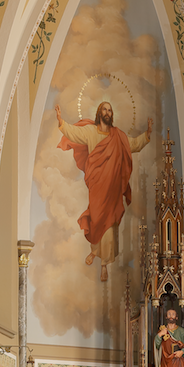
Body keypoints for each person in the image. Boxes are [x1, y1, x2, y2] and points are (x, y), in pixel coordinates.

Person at [55, 99, 152, 281]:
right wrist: (61, 122)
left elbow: (132, 145)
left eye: (109, 110)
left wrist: (146, 135)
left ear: (111, 114)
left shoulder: (118, 136)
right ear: (99, 113)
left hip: (113, 187)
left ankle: (104, 263)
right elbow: (75, 133)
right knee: (96, 217)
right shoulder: (91, 132)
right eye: (104, 109)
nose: (107, 112)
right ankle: (94, 250)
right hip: (97, 185)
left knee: (109, 223)